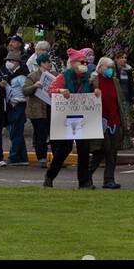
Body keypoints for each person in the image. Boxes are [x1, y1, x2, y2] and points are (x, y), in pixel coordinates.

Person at [45, 49, 98, 189]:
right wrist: (60, 91)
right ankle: (50, 175)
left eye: (86, 62)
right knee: (65, 148)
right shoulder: (64, 76)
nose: (85, 64)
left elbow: (92, 93)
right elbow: (50, 90)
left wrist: (96, 91)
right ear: (73, 63)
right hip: (66, 117)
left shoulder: (87, 77)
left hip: (82, 116)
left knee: (84, 149)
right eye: (82, 62)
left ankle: (84, 182)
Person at [91, 57, 126, 189]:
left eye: (112, 67)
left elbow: (119, 102)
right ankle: (86, 176)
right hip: (100, 122)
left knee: (112, 152)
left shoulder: (115, 82)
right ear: (100, 68)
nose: (110, 70)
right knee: (100, 150)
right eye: (107, 67)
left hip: (114, 121)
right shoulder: (94, 81)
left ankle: (109, 180)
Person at [23, 53, 54, 168]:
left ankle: (56, 157)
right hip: (37, 110)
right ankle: (41, 158)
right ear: (41, 63)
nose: (50, 64)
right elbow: (25, 91)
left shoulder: (54, 75)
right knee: (40, 134)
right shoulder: (33, 76)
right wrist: (34, 86)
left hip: (51, 109)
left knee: (54, 135)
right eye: (47, 62)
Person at [5, 50, 30, 166]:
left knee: (15, 131)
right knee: (16, 131)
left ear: (17, 62)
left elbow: (26, 92)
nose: (9, 62)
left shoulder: (21, 76)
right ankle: (22, 156)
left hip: (19, 104)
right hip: (12, 105)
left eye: (11, 60)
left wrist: (26, 108)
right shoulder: (10, 74)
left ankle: (14, 156)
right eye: (8, 60)